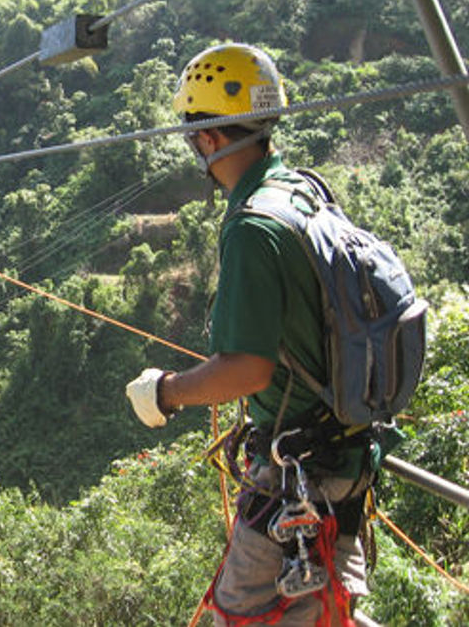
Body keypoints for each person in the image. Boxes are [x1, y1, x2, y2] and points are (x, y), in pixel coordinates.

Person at [124, 43, 383, 626]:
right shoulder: (303, 190)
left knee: (243, 616)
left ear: (210, 138)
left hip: (299, 476)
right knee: (330, 611)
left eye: (196, 138)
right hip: (345, 457)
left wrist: (165, 391)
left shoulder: (251, 227)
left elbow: (247, 369)